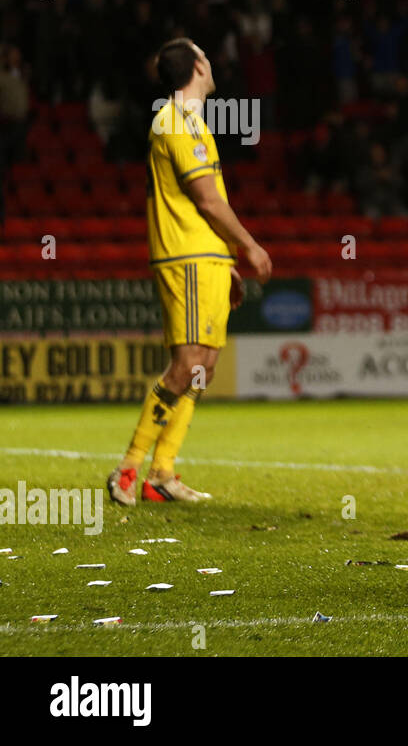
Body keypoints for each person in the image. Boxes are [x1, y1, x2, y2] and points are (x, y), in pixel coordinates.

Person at [106, 38, 272, 505]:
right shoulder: (176, 122)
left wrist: (228, 260)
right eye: (208, 55)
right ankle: (128, 468)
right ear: (199, 65)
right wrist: (249, 247)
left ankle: (162, 473)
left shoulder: (193, 122)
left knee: (205, 366)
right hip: (187, 257)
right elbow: (207, 200)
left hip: (208, 258)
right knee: (187, 364)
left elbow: (205, 204)